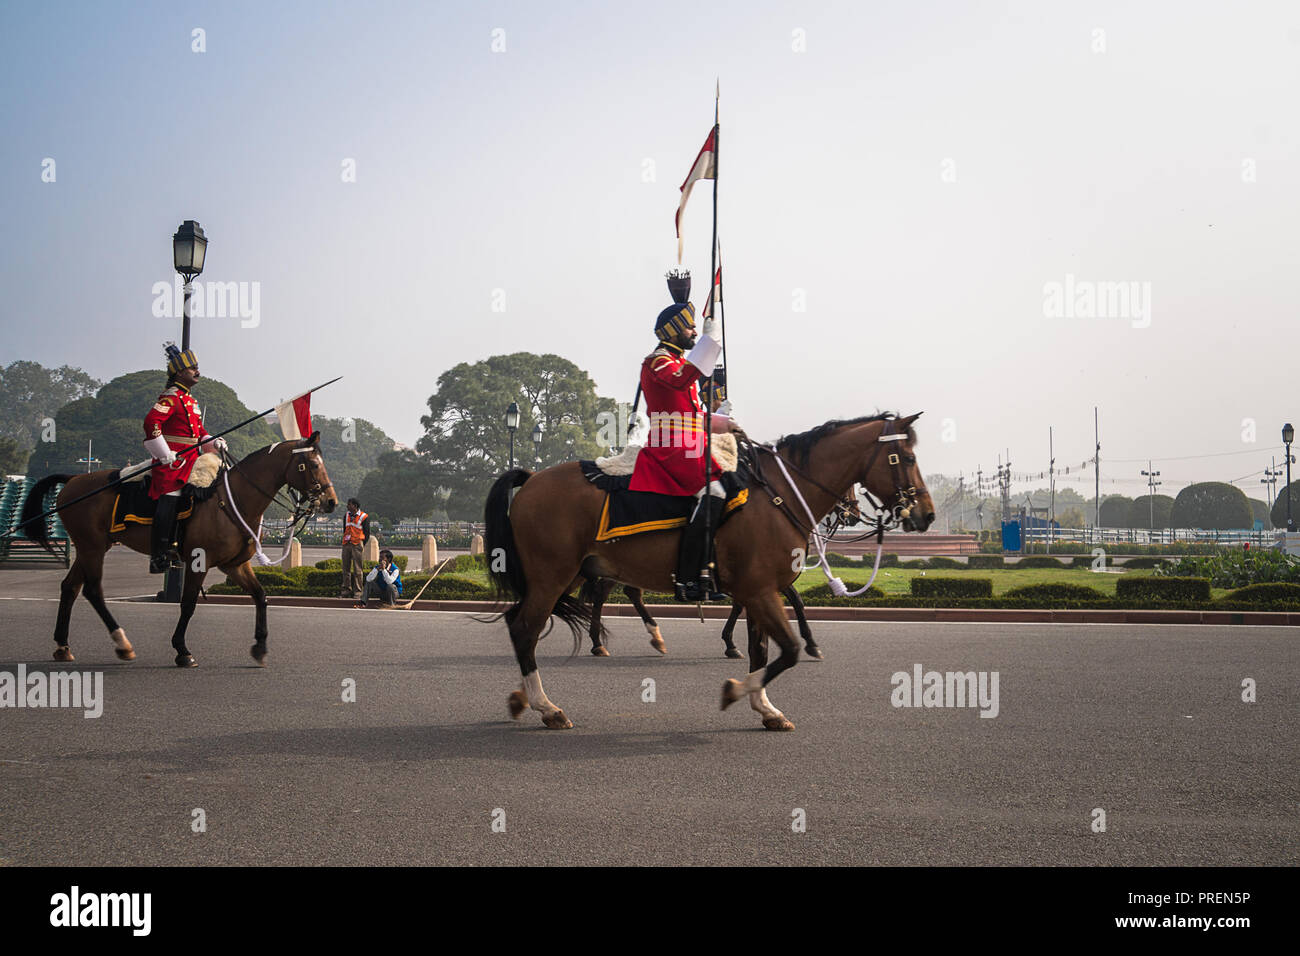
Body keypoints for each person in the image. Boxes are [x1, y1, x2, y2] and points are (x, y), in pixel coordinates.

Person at [628, 270, 740, 601]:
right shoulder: (657, 362)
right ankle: (689, 577)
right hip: (670, 447)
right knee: (715, 493)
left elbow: (695, 416)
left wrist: (727, 424)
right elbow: (679, 381)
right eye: (689, 328)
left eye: (694, 328)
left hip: (691, 443)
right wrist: (707, 346)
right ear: (676, 330)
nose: (693, 332)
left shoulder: (676, 362)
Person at [142, 343, 226, 573]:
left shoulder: (189, 400)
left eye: (197, 367)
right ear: (179, 373)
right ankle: (159, 553)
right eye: (192, 368)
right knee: (171, 496)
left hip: (192, 459)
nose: (197, 371)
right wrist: (164, 452)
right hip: (171, 463)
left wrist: (213, 441)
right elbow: (151, 423)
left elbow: (198, 432)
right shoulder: (171, 398)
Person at [339, 498, 370, 599]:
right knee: (345, 568)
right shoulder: (346, 516)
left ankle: (358, 591)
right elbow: (345, 529)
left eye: (349, 504)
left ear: (355, 506)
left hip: (357, 544)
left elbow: (367, 533)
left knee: (358, 569)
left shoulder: (364, 517)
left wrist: (361, 544)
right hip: (346, 543)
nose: (347, 506)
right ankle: (346, 590)